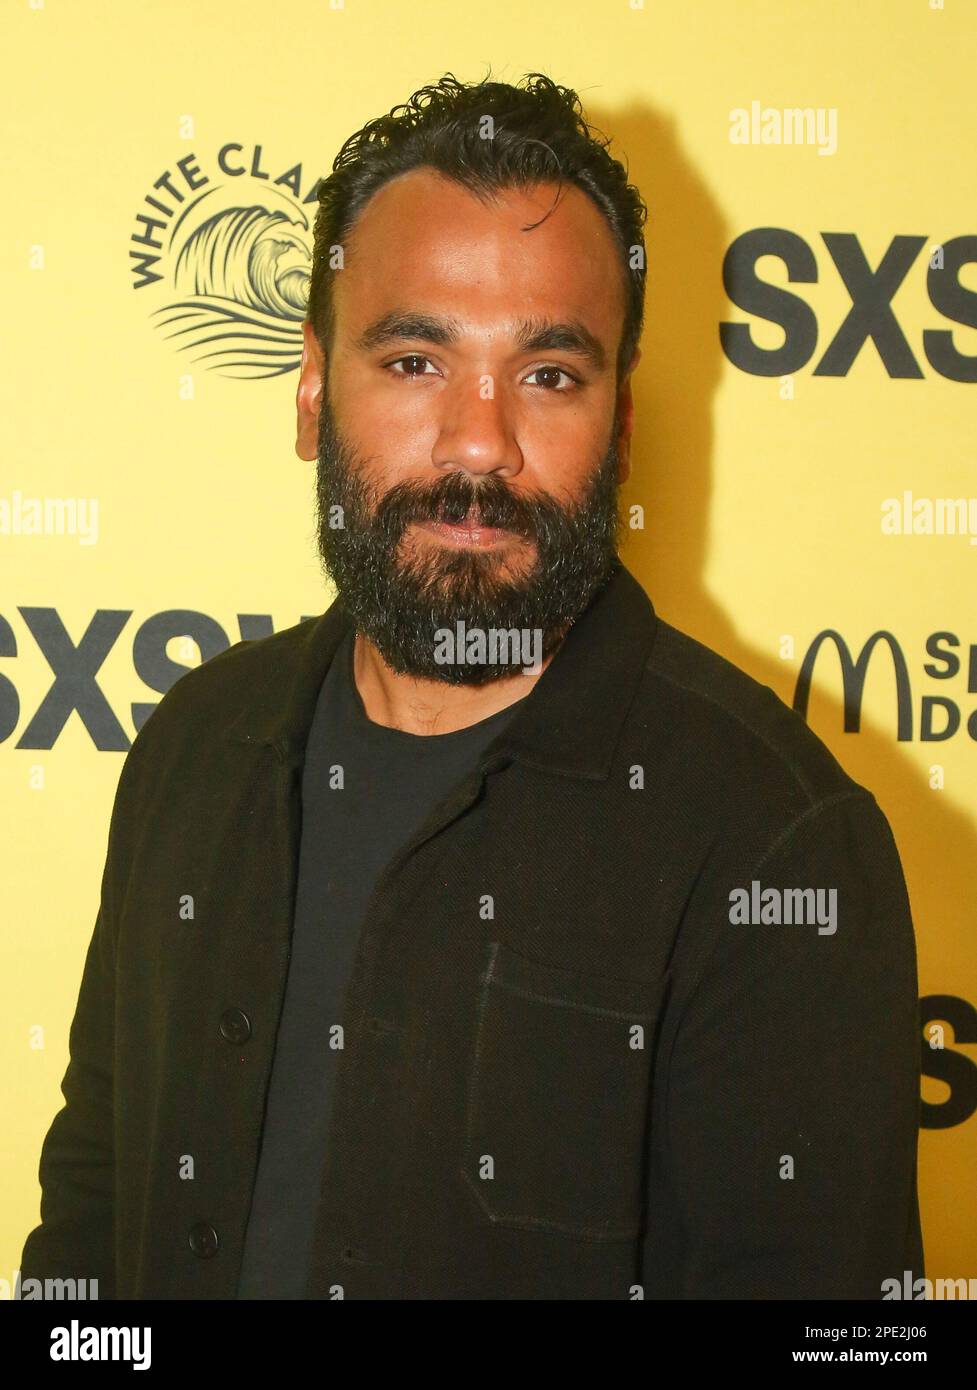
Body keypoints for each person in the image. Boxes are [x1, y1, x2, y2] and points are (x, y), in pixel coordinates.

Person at [20, 71, 923, 1300]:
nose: (480, 442)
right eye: (412, 361)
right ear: (309, 387)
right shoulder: (193, 742)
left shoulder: (776, 843)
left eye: (548, 374)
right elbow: (91, 1208)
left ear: (620, 421)